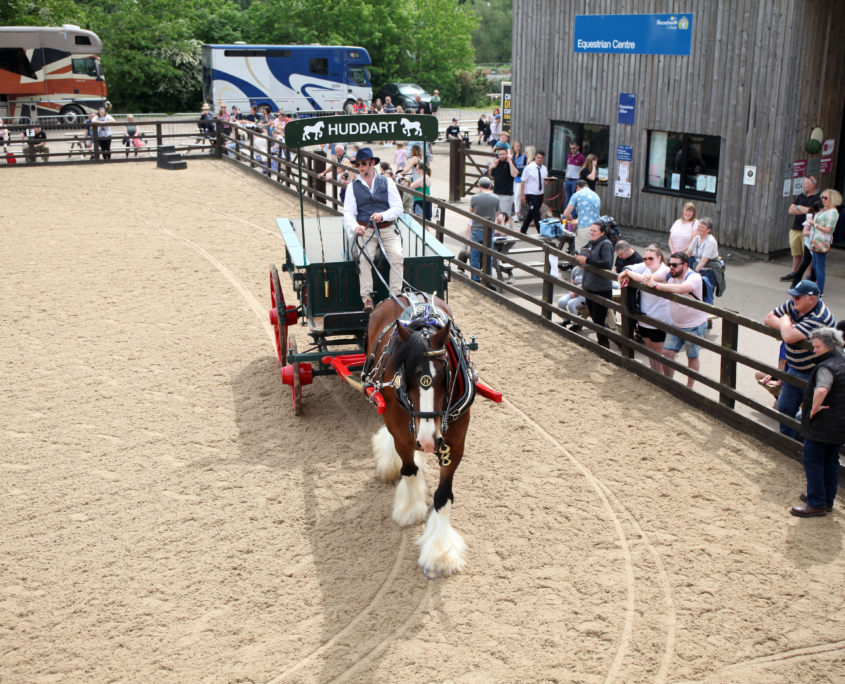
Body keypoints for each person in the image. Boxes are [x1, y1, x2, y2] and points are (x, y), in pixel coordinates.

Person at [764, 280, 837, 440]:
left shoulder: (820, 317)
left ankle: (803, 445)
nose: (794, 300)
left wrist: (785, 320)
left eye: (798, 297)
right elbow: (768, 318)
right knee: (784, 408)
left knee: (809, 414)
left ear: (812, 299)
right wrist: (790, 327)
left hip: (816, 372)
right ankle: (789, 443)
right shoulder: (796, 304)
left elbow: (789, 336)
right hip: (794, 367)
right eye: (793, 296)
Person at [790, 328, 845, 517]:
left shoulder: (826, 367)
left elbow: (821, 390)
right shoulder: (842, 361)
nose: (815, 351)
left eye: (818, 347)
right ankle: (826, 499)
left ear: (830, 346)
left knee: (812, 459)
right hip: (840, 421)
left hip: (824, 422)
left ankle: (816, 502)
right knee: (831, 459)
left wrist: (813, 409)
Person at [343, 148, 405, 312]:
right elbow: (348, 213)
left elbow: (399, 208)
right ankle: (367, 299)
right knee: (365, 258)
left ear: (372, 163)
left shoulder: (387, 182)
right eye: (358, 164)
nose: (361, 167)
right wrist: (356, 227)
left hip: (387, 227)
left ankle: (395, 297)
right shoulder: (353, 187)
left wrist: (382, 216)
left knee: (397, 257)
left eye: (364, 163)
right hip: (366, 229)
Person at [642, 252, 708, 388]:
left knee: (692, 356)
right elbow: (650, 277)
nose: (671, 267)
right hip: (676, 323)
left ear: (685, 265)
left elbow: (680, 289)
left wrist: (655, 285)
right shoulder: (670, 273)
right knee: (667, 353)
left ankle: (690, 387)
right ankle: (669, 383)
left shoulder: (694, 277)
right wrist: (628, 273)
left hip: (694, 324)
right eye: (669, 263)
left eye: (674, 265)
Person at [618, 245, 673, 374]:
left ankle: (660, 377)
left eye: (651, 258)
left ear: (659, 258)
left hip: (660, 316)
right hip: (644, 315)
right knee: (650, 347)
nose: (647, 261)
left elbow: (648, 280)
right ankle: (653, 373)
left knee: (659, 350)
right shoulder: (645, 267)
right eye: (645, 258)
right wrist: (626, 271)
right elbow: (629, 267)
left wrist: (627, 273)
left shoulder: (664, 270)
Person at [574, 222, 615, 347]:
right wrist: (578, 255)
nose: (591, 232)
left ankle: (605, 344)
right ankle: (606, 342)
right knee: (596, 319)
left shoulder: (605, 244)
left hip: (601, 288)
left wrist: (587, 260)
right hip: (590, 286)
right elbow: (583, 252)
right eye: (590, 230)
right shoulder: (593, 242)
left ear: (602, 232)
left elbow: (607, 263)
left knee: (599, 320)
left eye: (594, 231)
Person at [783, 176, 821, 282]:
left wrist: (798, 207)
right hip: (796, 228)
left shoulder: (818, 197)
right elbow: (791, 210)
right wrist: (806, 210)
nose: (803, 186)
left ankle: (809, 276)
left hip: (808, 230)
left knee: (808, 254)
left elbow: (813, 211)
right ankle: (793, 272)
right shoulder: (800, 196)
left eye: (805, 184)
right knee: (796, 252)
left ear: (812, 185)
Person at [804, 189, 840, 294]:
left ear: (832, 199)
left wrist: (814, 224)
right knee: (815, 266)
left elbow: (828, 230)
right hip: (816, 240)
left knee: (819, 267)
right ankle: (817, 288)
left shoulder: (833, 212)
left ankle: (819, 292)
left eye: (826, 198)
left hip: (822, 241)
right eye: (822, 197)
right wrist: (812, 222)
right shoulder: (825, 209)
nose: (823, 200)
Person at [468, 177, 500, 283]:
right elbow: (496, 212)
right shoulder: (496, 198)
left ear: (479, 186)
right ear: (490, 186)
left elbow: (471, 210)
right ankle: (488, 278)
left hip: (476, 229)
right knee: (488, 256)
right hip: (489, 230)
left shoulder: (475, 197)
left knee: (475, 256)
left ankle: (475, 278)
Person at [686, 217, 724, 297]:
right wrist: (680, 262)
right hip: (700, 269)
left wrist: (694, 272)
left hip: (709, 272)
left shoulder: (710, 241)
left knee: (706, 295)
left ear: (708, 230)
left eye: (702, 227)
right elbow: (688, 252)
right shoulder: (697, 238)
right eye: (699, 226)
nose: (699, 228)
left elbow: (704, 260)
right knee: (696, 294)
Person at [563, 179, 602, 251]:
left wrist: (570, 218)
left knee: (582, 254)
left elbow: (566, 214)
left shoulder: (577, 194)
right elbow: (590, 212)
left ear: (578, 187)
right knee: (594, 253)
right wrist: (578, 220)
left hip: (584, 228)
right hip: (598, 228)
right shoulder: (595, 195)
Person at [791, 200, 821, 287]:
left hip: (818, 243)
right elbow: (805, 232)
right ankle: (795, 282)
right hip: (809, 243)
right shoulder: (810, 219)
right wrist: (817, 233)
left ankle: (811, 282)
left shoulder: (821, 219)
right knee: (806, 262)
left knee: (815, 264)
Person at [487, 147, 518, 229]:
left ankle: (509, 234)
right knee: (498, 216)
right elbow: (492, 176)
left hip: (506, 194)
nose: (502, 156)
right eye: (500, 154)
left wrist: (510, 161)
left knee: (506, 216)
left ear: (507, 154)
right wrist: (490, 168)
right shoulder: (497, 162)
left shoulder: (510, 162)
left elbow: (515, 174)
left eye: (503, 154)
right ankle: (500, 233)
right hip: (496, 193)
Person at [520, 150, 549, 234]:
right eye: (538, 157)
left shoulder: (544, 169)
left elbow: (544, 182)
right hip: (530, 194)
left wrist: (549, 182)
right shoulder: (529, 168)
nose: (539, 159)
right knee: (536, 214)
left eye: (541, 158)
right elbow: (523, 181)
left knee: (531, 213)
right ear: (535, 157)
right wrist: (523, 195)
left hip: (540, 194)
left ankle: (523, 230)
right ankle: (541, 232)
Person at [557, 255, 587, 328]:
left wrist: (578, 289)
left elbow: (586, 284)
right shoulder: (575, 270)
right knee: (560, 302)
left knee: (571, 303)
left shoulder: (588, 270)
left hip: (584, 295)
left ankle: (576, 324)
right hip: (575, 292)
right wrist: (572, 292)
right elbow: (572, 284)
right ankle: (566, 320)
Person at [564, 141, 585, 211]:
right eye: (571, 148)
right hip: (568, 180)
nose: (572, 150)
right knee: (567, 199)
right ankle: (566, 216)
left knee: (574, 200)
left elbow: (583, 170)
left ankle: (573, 216)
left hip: (575, 180)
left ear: (577, 147)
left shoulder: (581, 157)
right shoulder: (569, 155)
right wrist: (565, 178)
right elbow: (567, 167)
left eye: (573, 148)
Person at [511, 140, 527, 220]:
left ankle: (516, 214)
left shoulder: (524, 156)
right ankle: (520, 212)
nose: (517, 148)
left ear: (520, 147)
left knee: (517, 196)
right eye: (516, 146)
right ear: (513, 147)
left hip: (521, 179)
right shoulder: (512, 156)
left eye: (518, 146)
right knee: (514, 195)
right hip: (514, 178)